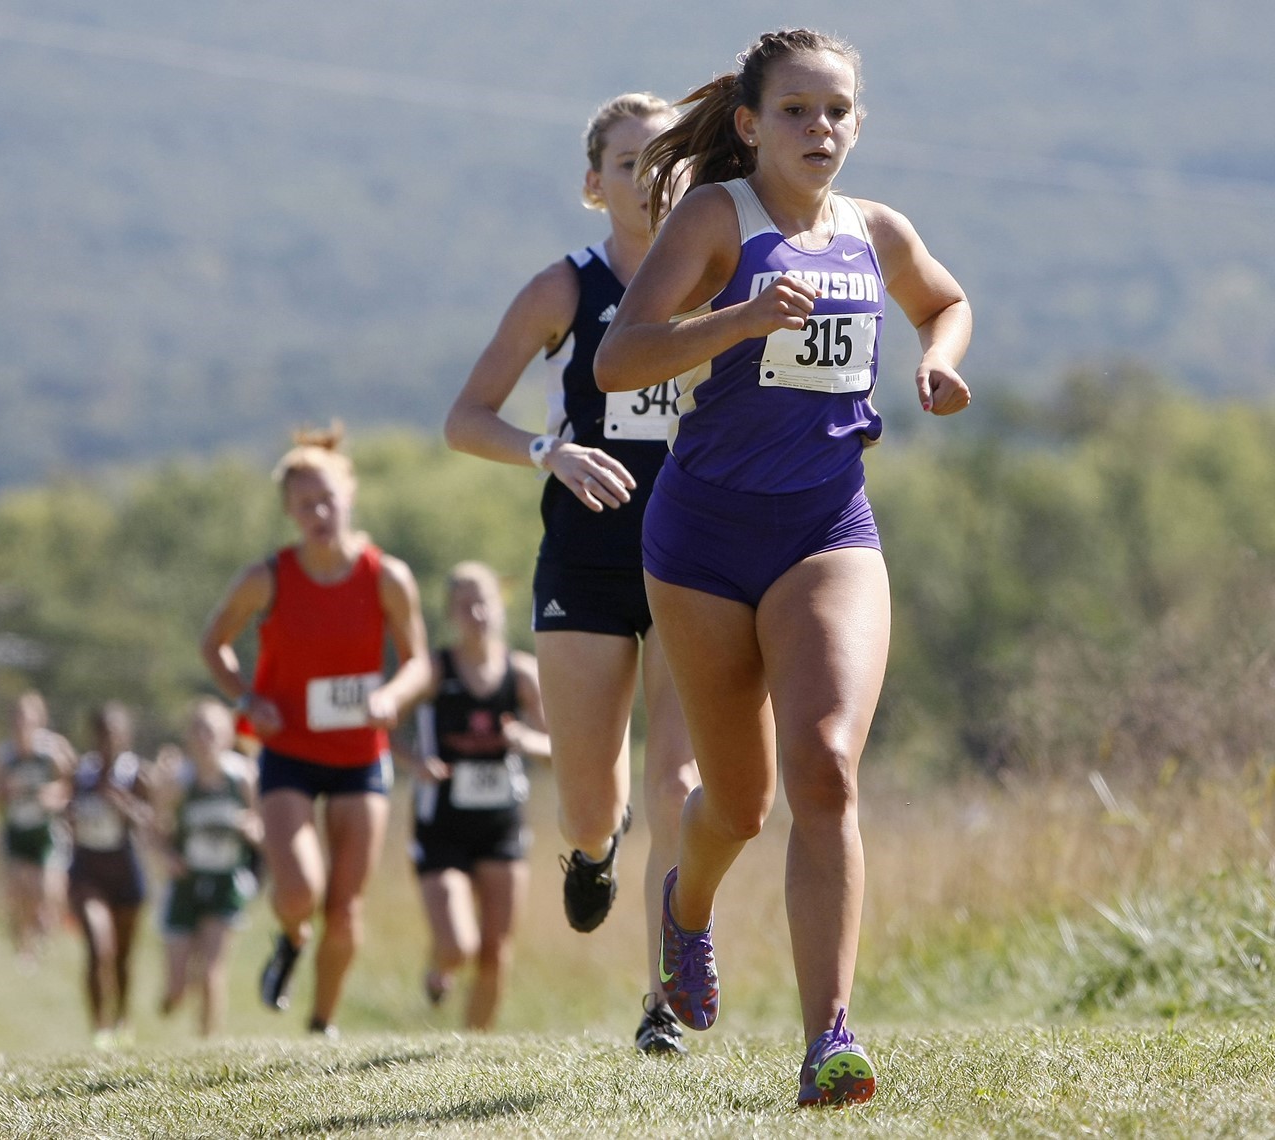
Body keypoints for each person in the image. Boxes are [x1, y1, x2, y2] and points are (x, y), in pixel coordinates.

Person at [595, 28, 973, 1106]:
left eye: (838, 110)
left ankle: (828, 1043)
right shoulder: (717, 218)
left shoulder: (874, 229)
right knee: (739, 803)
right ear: (751, 125)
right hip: (701, 544)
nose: (822, 129)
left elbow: (944, 303)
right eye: (799, 110)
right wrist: (743, 317)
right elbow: (622, 357)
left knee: (824, 770)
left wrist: (937, 364)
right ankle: (687, 910)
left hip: (825, 532)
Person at [444, 92, 701, 1054]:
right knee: (593, 802)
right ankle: (592, 852)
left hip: (696, 559)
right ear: (597, 185)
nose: (651, 177)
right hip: (587, 560)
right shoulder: (565, 289)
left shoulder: (721, 279)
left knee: (678, 786)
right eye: (630, 163)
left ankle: (663, 1004)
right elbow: (465, 417)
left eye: (668, 158)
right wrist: (548, 448)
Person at [201, 424, 431, 1037]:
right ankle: (291, 935)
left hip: (360, 753)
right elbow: (214, 643)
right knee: (301, 891)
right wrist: (247, 696)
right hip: (289, 752)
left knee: (347, 906)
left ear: (349, 495)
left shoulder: (387, 578)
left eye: (328, 499)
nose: (320, 513)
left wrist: (390, 694)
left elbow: (419, 664)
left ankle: (321, 1025)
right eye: (306, 505)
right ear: (289, 513)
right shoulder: (267, 578)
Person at [410, 561, 550, 1030]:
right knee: (458, 946)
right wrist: (415, 764)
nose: (476, 612)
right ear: (450, 612)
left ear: (499, 606)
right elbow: (382, 719)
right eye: (464, 603)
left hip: (501, 826)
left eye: (484, 601)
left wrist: (526, 742)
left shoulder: (522, 673)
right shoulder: (433, 670)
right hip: (442, 827)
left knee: (495, 950)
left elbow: (560, 749)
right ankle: (438, 965)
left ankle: (473, 1045)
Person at [156, 699, 263, 1037]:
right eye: (198, 730)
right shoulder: (178, 782)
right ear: (189, 737)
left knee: (211, 972)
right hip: (186, 883)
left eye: (212, 731)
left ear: (227, 737)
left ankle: (207, 1046)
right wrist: (167, 857)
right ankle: (174, 995)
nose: (205, 739)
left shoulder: (244, 778)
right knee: (177, 985)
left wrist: (252, 828)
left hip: (226, 881)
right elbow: (154, 830)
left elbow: (264, 829)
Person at [64, 701, 154, 1048]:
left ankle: (122, 1019)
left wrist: (122, 804)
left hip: (126, 874)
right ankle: (99, 1028)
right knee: (99, 947)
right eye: (102, 735)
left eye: (114, 736)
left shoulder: (136, 774)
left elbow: (149, 821)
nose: (108, 742)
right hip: (88, 872)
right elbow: (68, 811)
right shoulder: (81, 774)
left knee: (122, 957)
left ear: (125, 737)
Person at [0, 690, 75, 968]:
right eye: (17, 719)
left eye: (27, 719)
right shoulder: (5, 755)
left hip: (45, 833)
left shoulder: (52, 751)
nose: (21, 725)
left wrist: (54, 795)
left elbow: (71, 785)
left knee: (49, 890)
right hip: (17, 831)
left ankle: (42, 939)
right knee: (19, 894)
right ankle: (22, 949)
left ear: (40, 721)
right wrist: (7, 791)